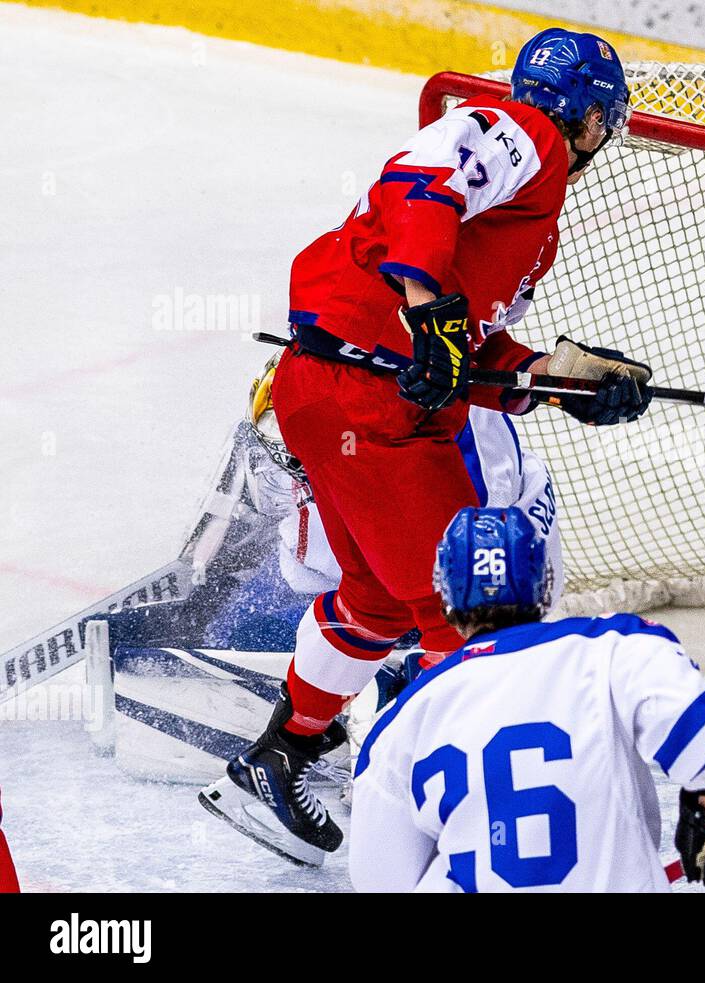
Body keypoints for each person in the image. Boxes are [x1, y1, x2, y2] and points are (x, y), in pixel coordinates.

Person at [201, 28, 652, 864]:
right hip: (367, 408)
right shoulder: (532, 137)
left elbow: (464, 356)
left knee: (375, 603)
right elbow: (418, 191)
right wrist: (427, 307)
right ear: (584, 113)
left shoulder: (525, 207)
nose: (601, 134)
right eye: (602, 117)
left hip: (337, 394)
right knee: (468, 612)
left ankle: (278, 757)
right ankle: (467, 826)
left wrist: (559, 378)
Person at [348, 506, 705, 892]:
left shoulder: (401, 720)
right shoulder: (614, 646)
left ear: (446, 595)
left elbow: (380, 879)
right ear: (543, 581)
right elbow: (697, 736)